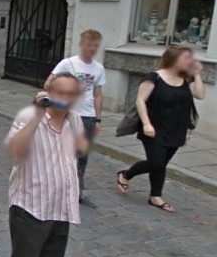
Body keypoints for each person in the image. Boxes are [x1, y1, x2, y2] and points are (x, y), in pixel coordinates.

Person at [3, 75, 88, 257]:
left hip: (61, 208)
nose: (65, 98)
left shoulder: (75, 121)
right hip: (30, 206)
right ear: (47, 91)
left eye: (70, 94)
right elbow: (15, 150)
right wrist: (38, 114)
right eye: (59, 92)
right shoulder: (29, 117)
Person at [117, 46, 205, 213]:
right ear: (174, 59)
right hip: (154, 128)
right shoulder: (154, 77)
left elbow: (200, 95)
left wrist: (197, 74)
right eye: (186, 58)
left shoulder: (186, 79)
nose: (190, 61)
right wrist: (146, 124)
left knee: (161, 164)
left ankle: (154, 196)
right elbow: (140, 101)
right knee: (156, 162)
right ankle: (126, 175)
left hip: (177, 129)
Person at [44, 29, 107, 208]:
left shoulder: (98, 68)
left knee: (82, 155)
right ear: (82, 44)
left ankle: (77, 192)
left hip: (88, 117)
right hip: (68, 115)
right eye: (89, 45)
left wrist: (98, 119)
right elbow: (48, 84)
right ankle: (56, 188)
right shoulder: (68, 63)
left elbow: (97, 95)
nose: (92, 49)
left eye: (95, 46)